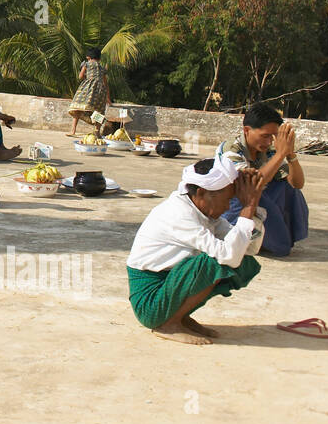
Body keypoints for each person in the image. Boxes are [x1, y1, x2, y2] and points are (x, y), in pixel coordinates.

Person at [126, 156, 267, 345]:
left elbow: (248, 249)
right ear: (201, 193)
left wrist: (251, 206)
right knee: (214, 262)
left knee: (242, 261)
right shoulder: (179, 214)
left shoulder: (205, 213)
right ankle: (168, 324)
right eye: (226, 200)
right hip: (150, 303)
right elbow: (229, 257)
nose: (227, 207)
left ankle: (180, 317)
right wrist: (247, 208)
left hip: (167, 288)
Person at [216, 103, 309, 257]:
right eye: (265, 136)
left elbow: (297, 183)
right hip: (233, 204)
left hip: (258, 200)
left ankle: (277, 236)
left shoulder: (269, 150)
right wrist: (280, 155)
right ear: (247, 130)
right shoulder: (231, 150)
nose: (269, 142)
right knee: (255, 193)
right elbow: (251, 185)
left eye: (273, 136)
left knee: (287, 187)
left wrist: (290, 154)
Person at [67, 47, 109, 136]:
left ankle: (73, 130)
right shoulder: (102, 68)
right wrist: (107, 98)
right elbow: (105, 83)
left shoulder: (87, 64)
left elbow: (80, 76)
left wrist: (88, 76)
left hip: (88, 88)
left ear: (88, 57)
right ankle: (97, 132)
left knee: (77, 107)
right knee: (98, 111)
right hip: (100, 90)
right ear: (99, 58)